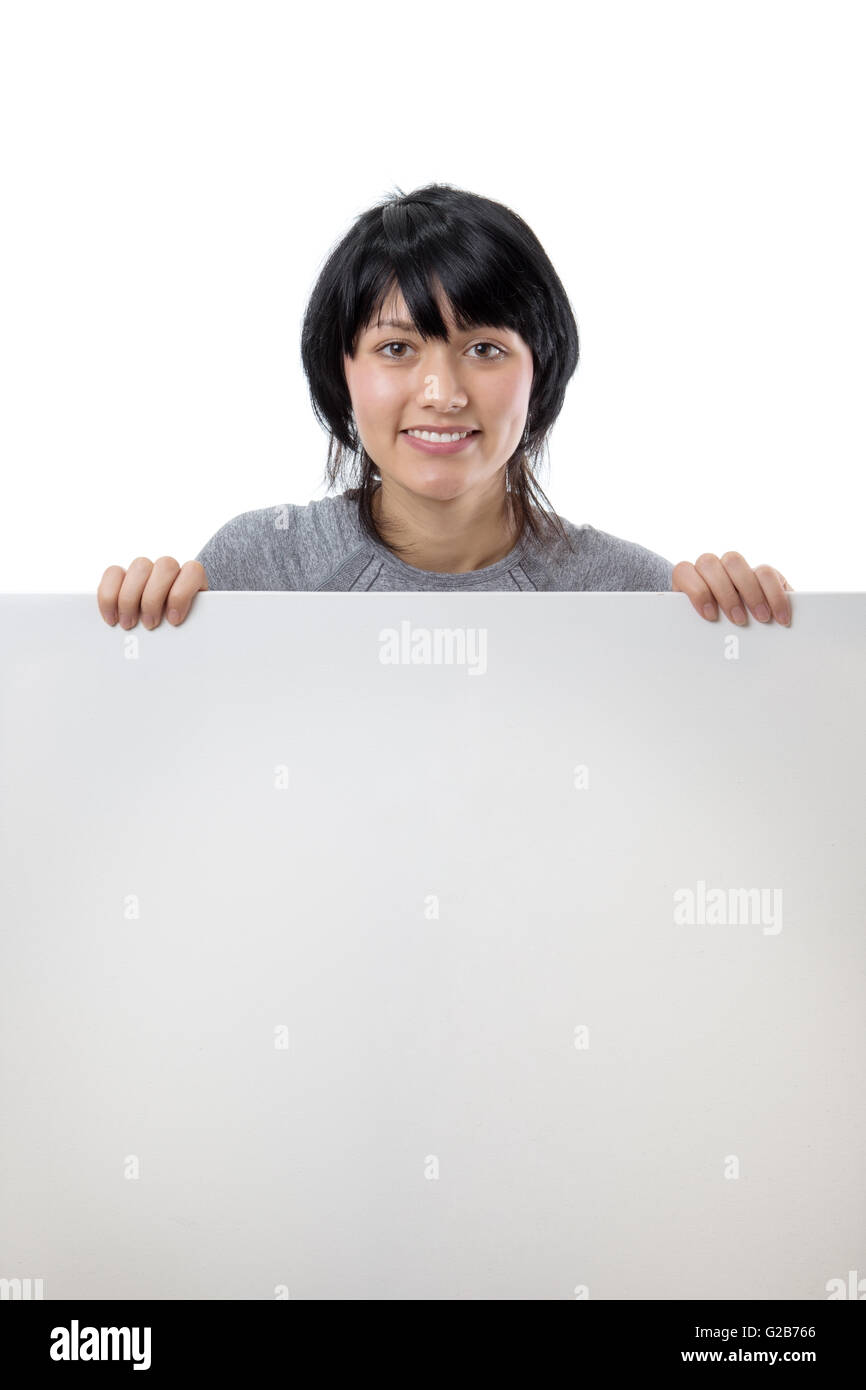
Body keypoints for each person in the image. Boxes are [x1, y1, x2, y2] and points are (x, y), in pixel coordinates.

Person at [97, 183, 793, 629]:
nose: (443, 393)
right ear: (341, 371)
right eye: (397, 349)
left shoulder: (632, 596)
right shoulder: (256, 568)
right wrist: (134, 633)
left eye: (485, 349)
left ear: (539, 371)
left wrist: (751, 645)